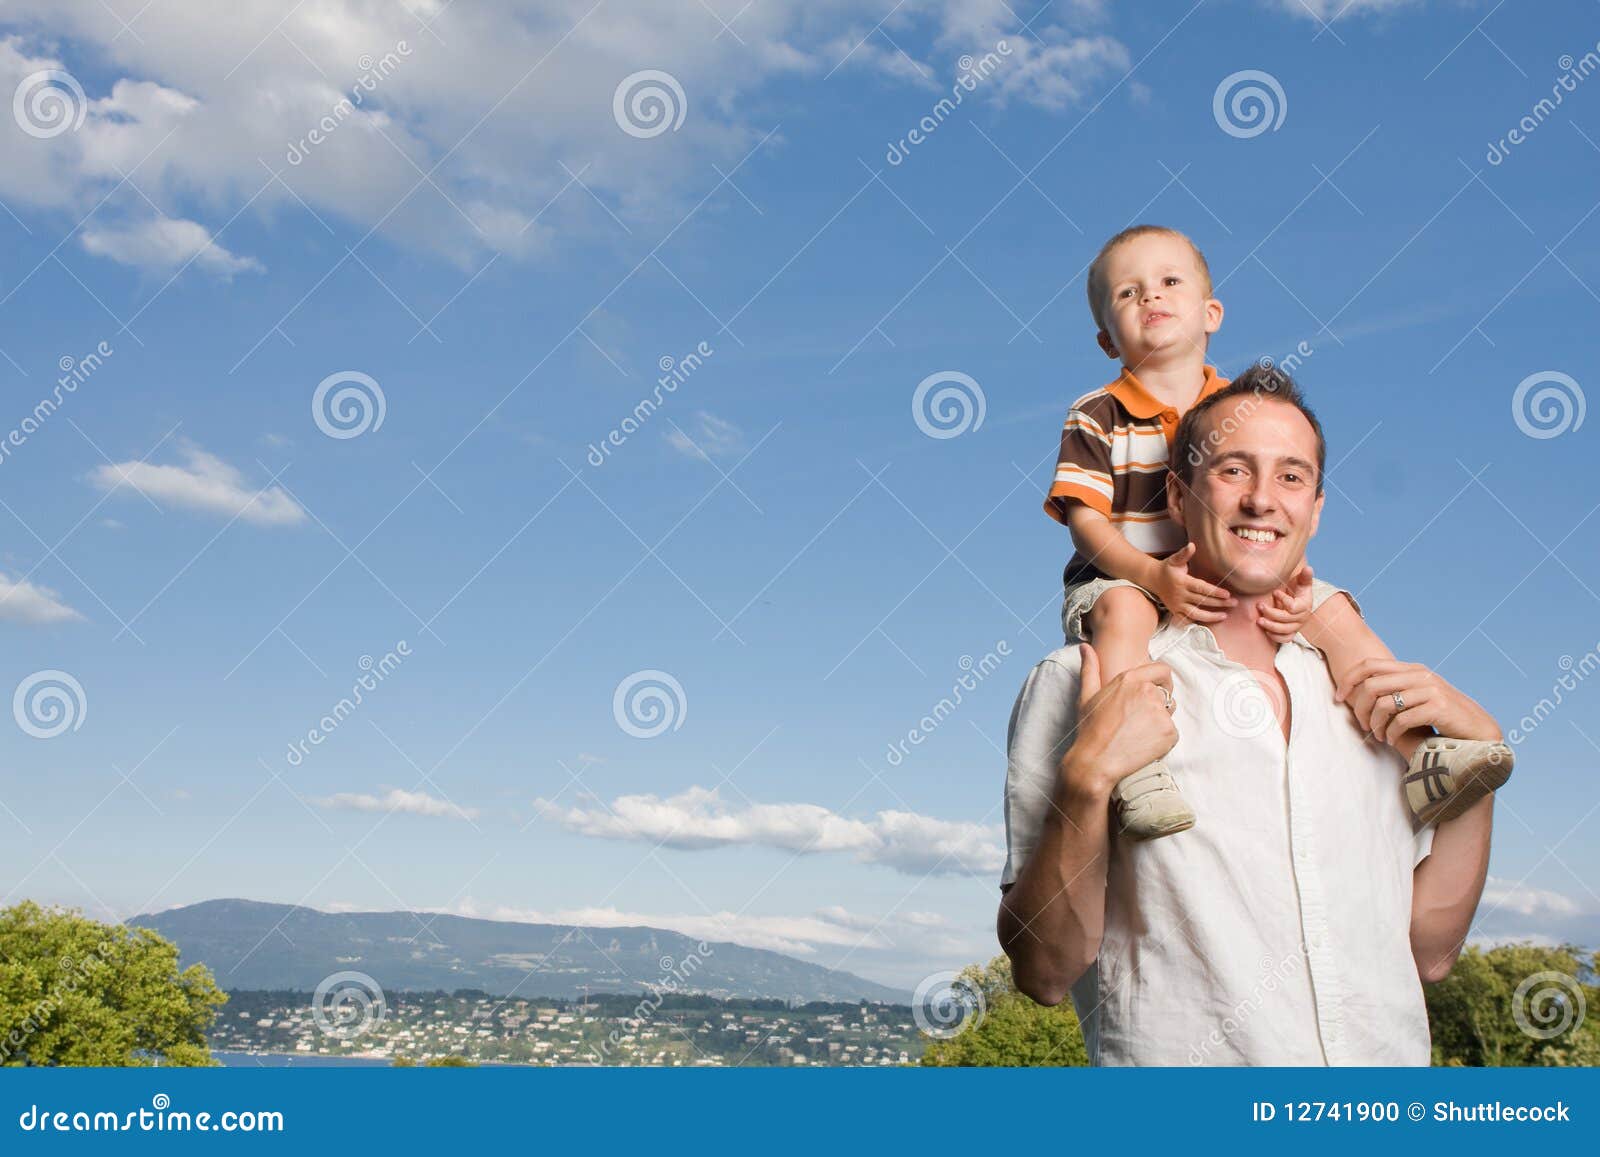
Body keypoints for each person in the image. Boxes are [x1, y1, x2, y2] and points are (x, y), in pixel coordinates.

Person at [997, 373, 1507, 1065]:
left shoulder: (1375, 701)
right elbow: (1044, 971)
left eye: (1291, 476)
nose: (1262, 498)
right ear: (1178, 494)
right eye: (1234, 468)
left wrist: (1478, 766)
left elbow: (1429, 952)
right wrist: (1087, 778)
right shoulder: (1078, 684)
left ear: (1316, 507)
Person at [1046, 225, 1509, 839]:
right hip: (1123, 576)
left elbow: (1265, 515)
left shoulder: (1242, 407)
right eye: (1127, 294)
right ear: (1107, 338)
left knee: (1334, 611)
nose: (1150, 297)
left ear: (1211, 313)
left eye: (1168, 282)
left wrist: (1291, 584)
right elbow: (1085, 523)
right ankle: (1139, 769)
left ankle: (1422, 750)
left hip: (1227, 578)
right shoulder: (1096, 412)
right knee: (1125, 616)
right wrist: (1152, 574)